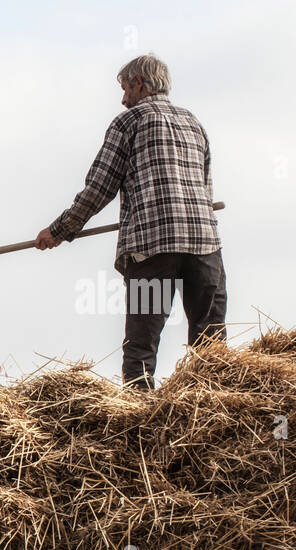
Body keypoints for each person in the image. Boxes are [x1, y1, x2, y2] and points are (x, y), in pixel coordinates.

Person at [35, 55, 226, 390]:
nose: (123, 100)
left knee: (141, 345)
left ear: (138, 82)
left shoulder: (128, 123)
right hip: (204, 246)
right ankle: (214, 408)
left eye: (125, 89)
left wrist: (60, 230)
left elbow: (99, 188)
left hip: (152, 250)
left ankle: (140, 424)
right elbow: (206, 189)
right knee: (210, 341)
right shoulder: (194, 122)